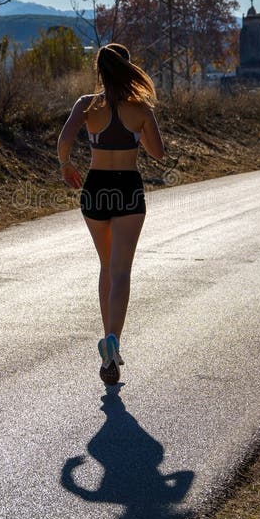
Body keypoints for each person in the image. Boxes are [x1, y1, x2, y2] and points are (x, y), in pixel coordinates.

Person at [57, 43, 165, 385]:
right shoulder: (141, 107)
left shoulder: (87, 104)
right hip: (128, 188)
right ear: (127, 69)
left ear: (100, 70)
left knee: (106, 266)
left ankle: (109, 336)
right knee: (121, 271)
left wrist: (65, 164)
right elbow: (158, 153)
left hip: (95, 187)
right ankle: (113, 338)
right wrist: (138, 133)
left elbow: (64, 138)